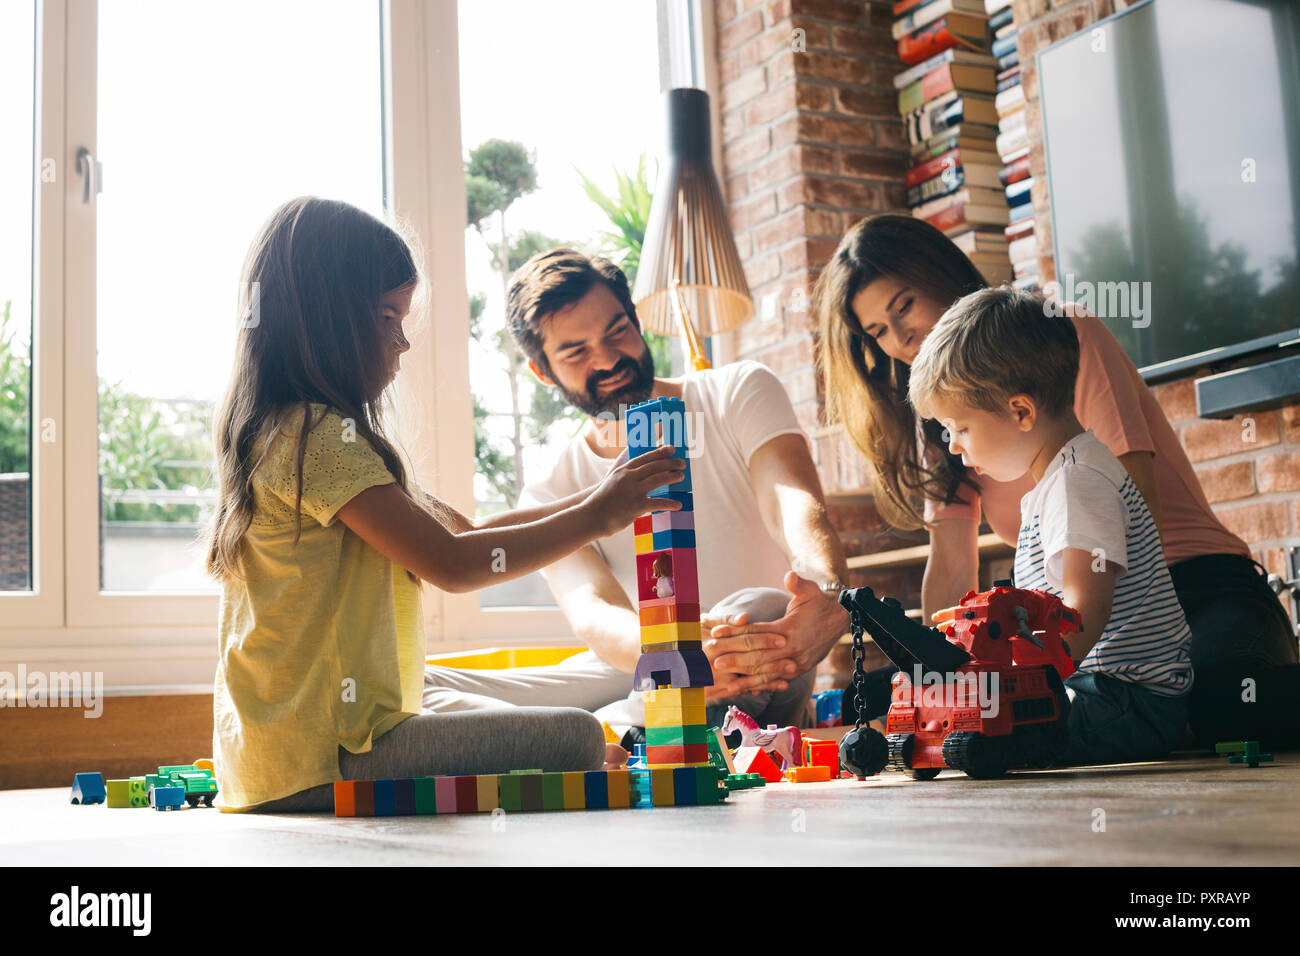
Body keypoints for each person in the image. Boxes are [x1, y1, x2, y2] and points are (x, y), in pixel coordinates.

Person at [717, 213, 1297, 751]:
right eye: (877, 331)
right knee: (897, 694)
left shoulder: (1058, 337)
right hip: (1078, 635)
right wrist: (945, 673)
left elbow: (1130, 503)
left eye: (904, 307)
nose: (899, 338)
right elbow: (949, 568)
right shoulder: (952, 420)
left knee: (1224, 704)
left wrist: (1037, 668)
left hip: (1189, 588)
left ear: (940, 276)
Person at [204, 198, 685, 811]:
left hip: (293, 753)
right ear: (325, 317)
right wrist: (599, 515)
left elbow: (465, 531)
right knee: (578, 734)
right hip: (329, 754)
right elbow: (456, 564)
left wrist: (601, 495)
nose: (402, 341)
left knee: (542, 728)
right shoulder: (316, 438)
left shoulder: (295, 431)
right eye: (386, 316)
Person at [422, 248, 852, 731]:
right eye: (576, 351)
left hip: (748, 648)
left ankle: (598, 733)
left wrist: (829, 590)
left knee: (760, 610)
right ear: (543, 372)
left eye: (617, 331)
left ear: (637, 322)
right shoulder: (550, 489)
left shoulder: (735, 390)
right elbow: (597, 613)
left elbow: (791, 502)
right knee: (421, 685)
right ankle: (600, 727)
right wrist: (671, 653)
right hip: (643, 663)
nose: (608, 359)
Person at [910, 287, 1193, 763]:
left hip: (1129, 697)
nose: (954, 447)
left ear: (1021, 411)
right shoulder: (1061, 478)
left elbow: (1086, 610)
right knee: (989, 722)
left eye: (960, 428)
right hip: (1101, 686)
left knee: (1009, 733)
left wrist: (1021, 686)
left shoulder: (1077, 483)